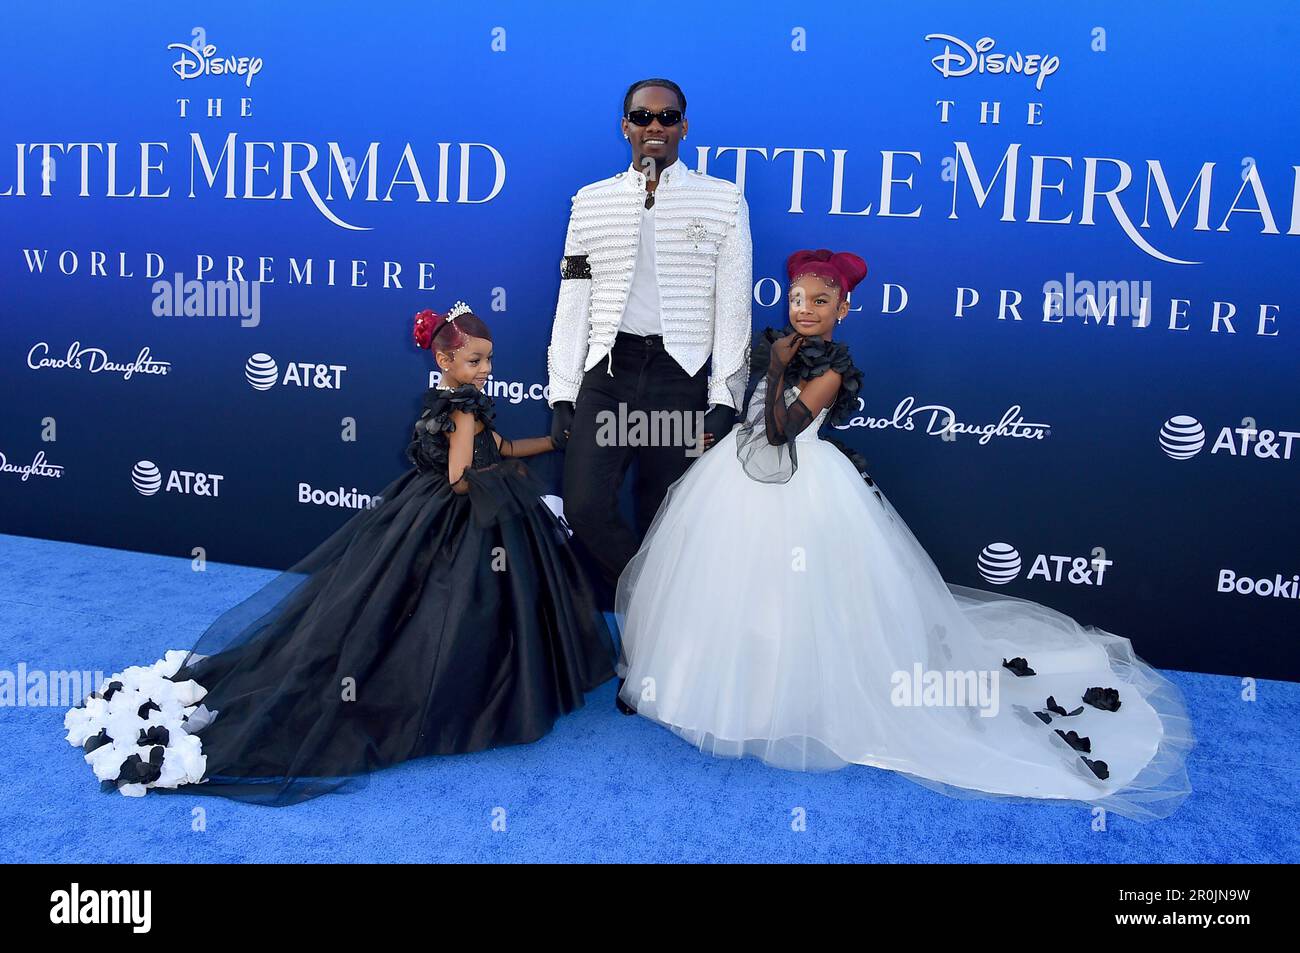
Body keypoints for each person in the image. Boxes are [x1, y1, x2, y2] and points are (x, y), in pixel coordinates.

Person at [613, 250, 1194, 821]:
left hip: (801, 482)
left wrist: (778, 367)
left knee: (799, 597)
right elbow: (748, 419)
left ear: (844, 307)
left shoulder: (832, 366)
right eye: (796, 299)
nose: (805, 309)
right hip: (736, 482)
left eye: (820, 300)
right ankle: (707, 690)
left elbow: (782, 429)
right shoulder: (772, 346)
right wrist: (766, 365)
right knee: (730, 584)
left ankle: (790, 705)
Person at [63, 303, 617, 804]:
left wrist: (550, 444)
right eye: (475, 360)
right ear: (447, 358)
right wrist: (511, 479)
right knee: (465, 605)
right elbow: (460, 478)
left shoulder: (444, 404)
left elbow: (496, 448)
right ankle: (476, 692)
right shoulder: (465, 406)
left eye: (488, 361)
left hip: (417, 511)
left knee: (397, 602)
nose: (486, 370)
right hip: (456, 516)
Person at [546, 77, 752, 599]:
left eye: (666, 117)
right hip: (608, 376)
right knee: (586, 508)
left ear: (684, 126)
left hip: (677, 378)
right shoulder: (590, 203)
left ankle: (653, 655)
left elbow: (732, 307)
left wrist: (725, 396)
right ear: (626, 127)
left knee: (667, 516)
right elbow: (573, 300)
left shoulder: (724, 201)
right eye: (642, 117)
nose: (654, 126)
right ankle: (651, 602)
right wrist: (564, 392)